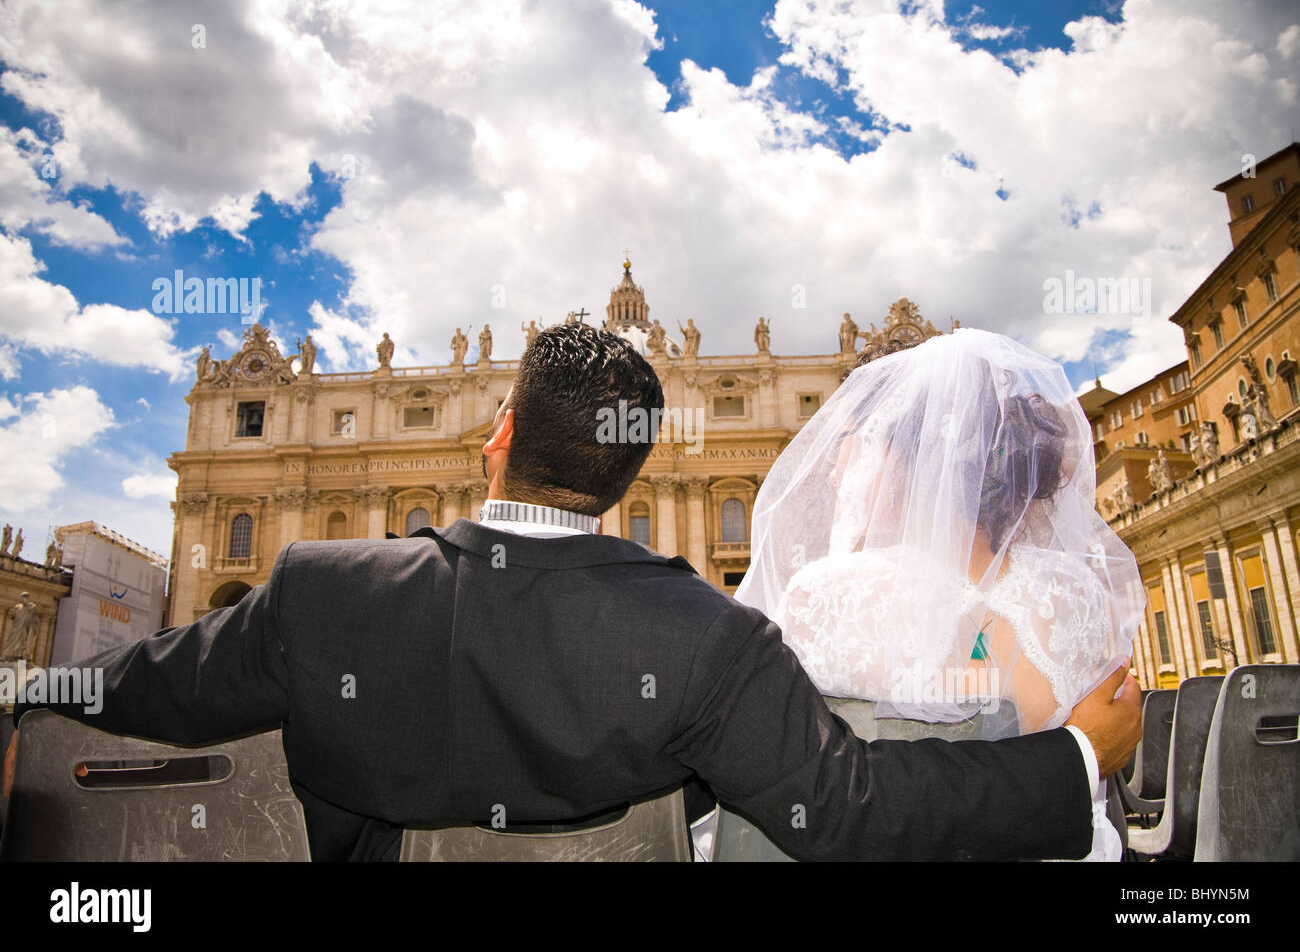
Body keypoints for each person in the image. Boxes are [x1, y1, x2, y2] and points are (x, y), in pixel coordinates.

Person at [6, 324, 1140, 861]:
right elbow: (842, 806)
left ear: (493, 439)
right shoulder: (712, 633)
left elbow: (137, 687)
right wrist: (1074, 760)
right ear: (632, 473)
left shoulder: (319, 594)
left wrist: (21, 689)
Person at [737, 327, 1145, 860]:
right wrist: (1081, 756)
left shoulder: (821, 597)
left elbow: (806, 787)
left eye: (854, 446)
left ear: (910, 459)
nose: (836, 471)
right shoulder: (1078, 594)